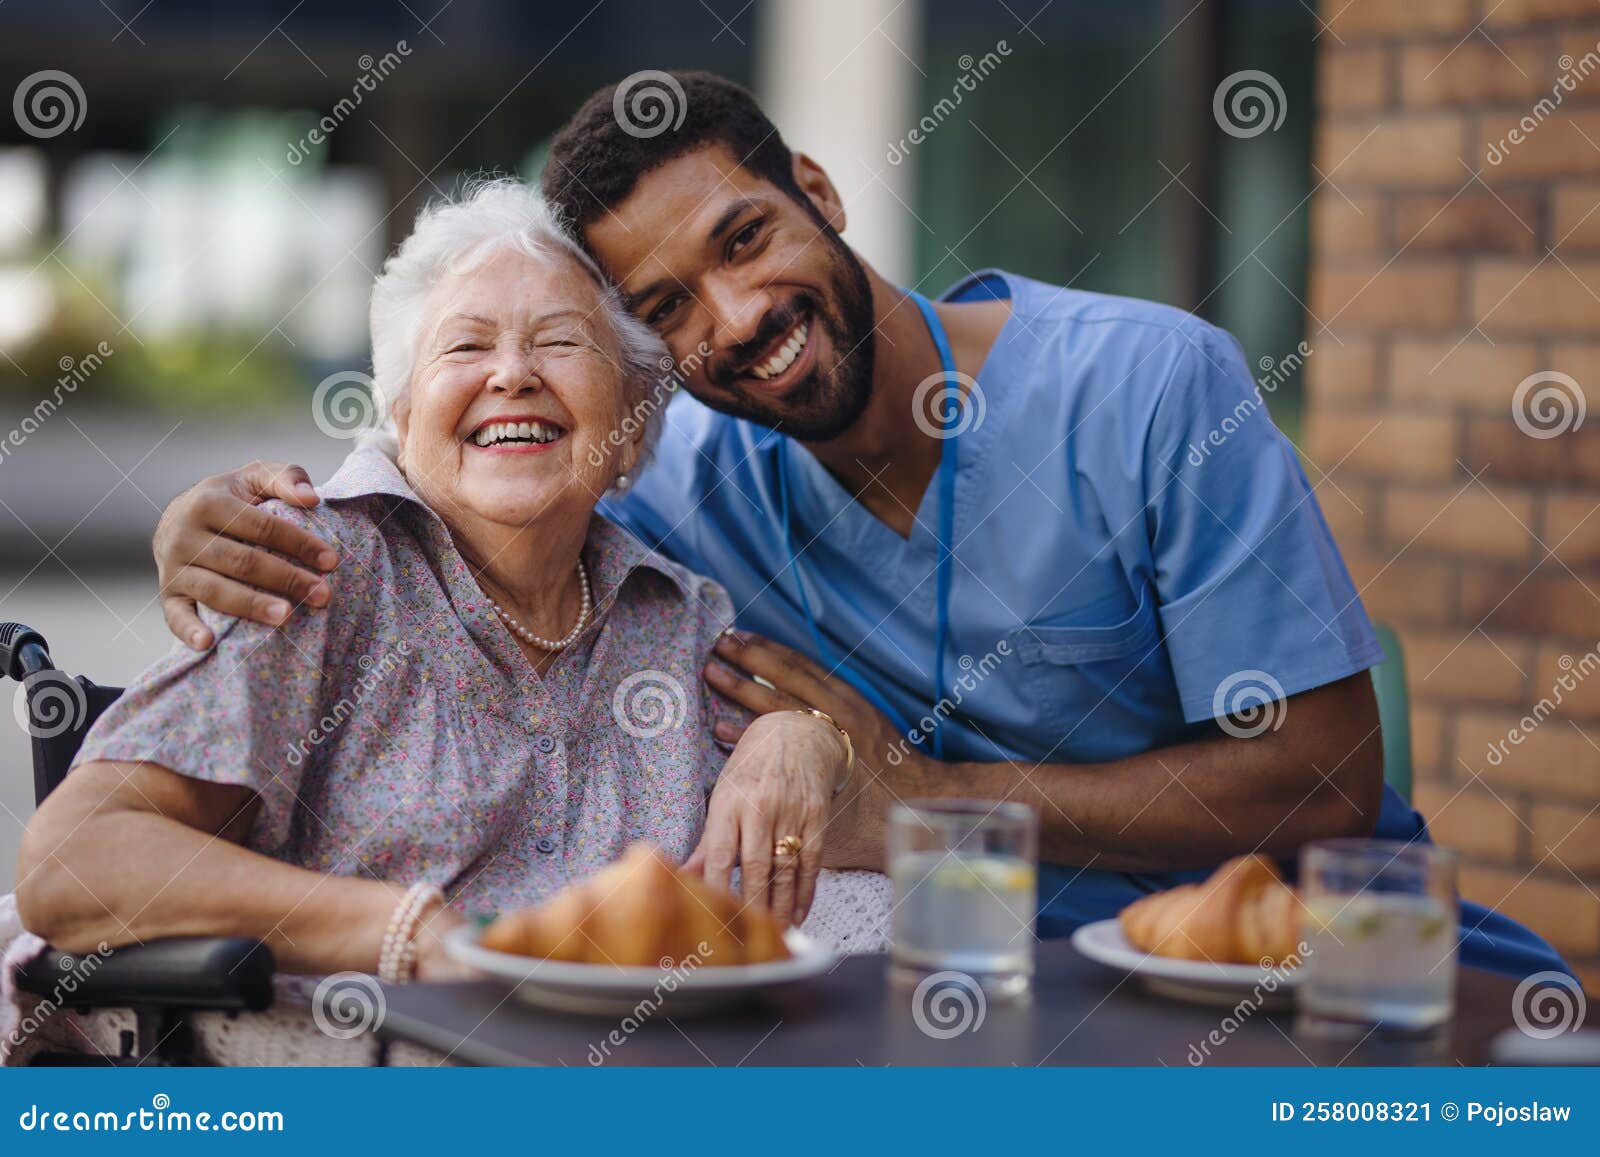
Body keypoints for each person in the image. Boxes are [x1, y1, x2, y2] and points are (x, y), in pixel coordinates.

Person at [149, 72, 1567, 979]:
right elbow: (476, 439)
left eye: (745, 238)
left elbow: (1320, 780)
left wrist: (909, 798)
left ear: (817, 195)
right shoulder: (678, 473)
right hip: (960, 993)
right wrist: (218, 520)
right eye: (661, 313)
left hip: (1304, 974)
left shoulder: (1152, 387)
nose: (736, 319)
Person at [16, 179, 860, 982]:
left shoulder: (683, 618)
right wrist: (403, 929)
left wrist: (807, 737)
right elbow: (74, 862)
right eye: (467, 344)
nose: (512, 373)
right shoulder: (316, 570)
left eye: (560, 341)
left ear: (633, 430)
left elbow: (828, 859)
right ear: (404, 415)